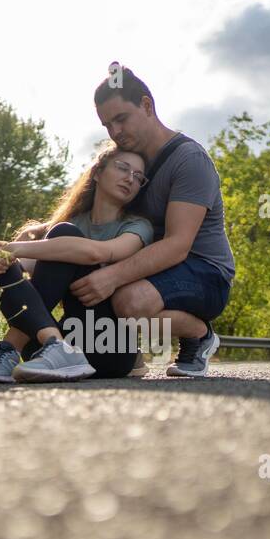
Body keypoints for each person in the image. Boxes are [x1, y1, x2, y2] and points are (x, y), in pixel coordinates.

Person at [71, 65, 235, 377]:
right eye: (107, 125)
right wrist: (36, 236)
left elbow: (177, 246)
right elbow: (83, 214)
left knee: (129, 301)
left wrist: (112, 276)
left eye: (121, 119)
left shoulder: (190, 161)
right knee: (85, 277)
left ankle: (199, 334)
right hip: (157, 270)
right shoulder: (129, 164)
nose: (115, 132)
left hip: (206, 273)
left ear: (147, 106)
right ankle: (118, 355)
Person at [0, 145, 154, 383]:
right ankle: (52, 343)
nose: (130, 178)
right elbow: (17, 271)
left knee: (64, 238)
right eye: (122, 168)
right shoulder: (62, 225)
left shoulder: (138, 227)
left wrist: (11, 249)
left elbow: (96, 253)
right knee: (19, 255)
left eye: (138, 176)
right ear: (97, 173)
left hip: (109, 347)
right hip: (47, 349)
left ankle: (10, 347)